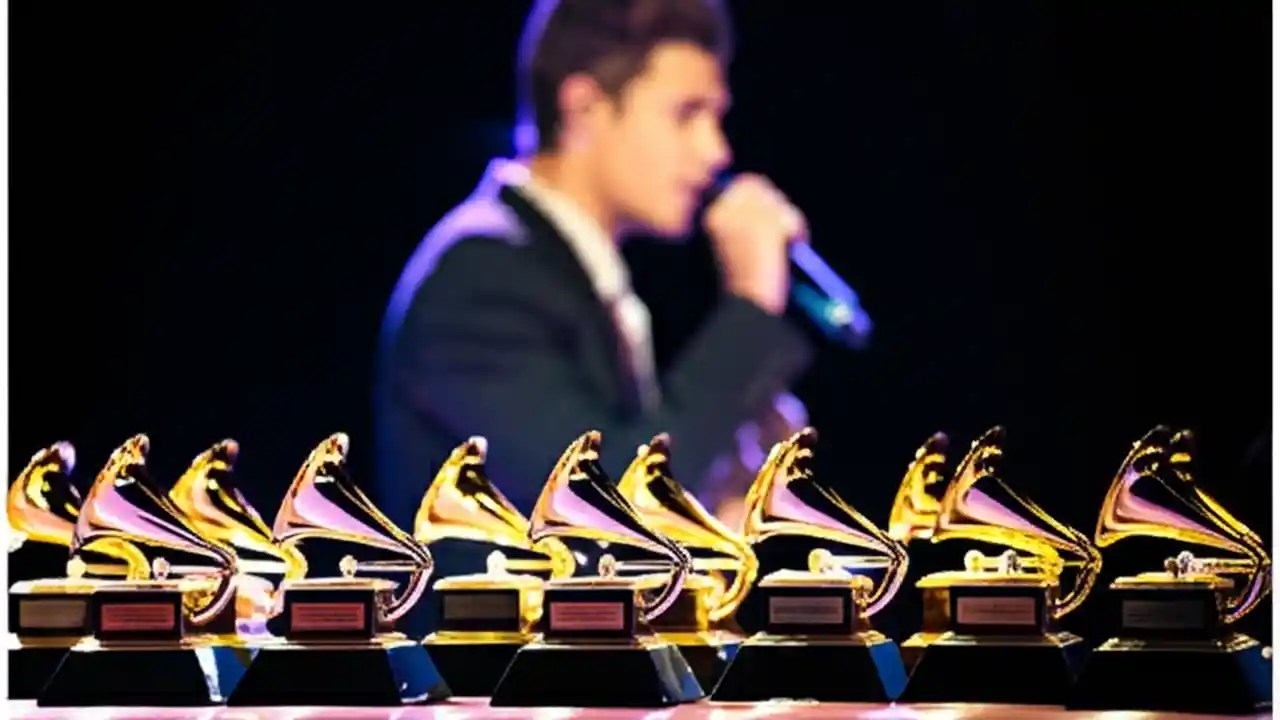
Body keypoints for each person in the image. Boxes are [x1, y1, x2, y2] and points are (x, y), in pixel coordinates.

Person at [373, 0, 813, 635]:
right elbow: (607, 511)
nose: (717, 152)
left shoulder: (570, 274)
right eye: (687, 114)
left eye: (718, 118)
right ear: (583, 109)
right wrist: (748, 308)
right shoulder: (481, 274)